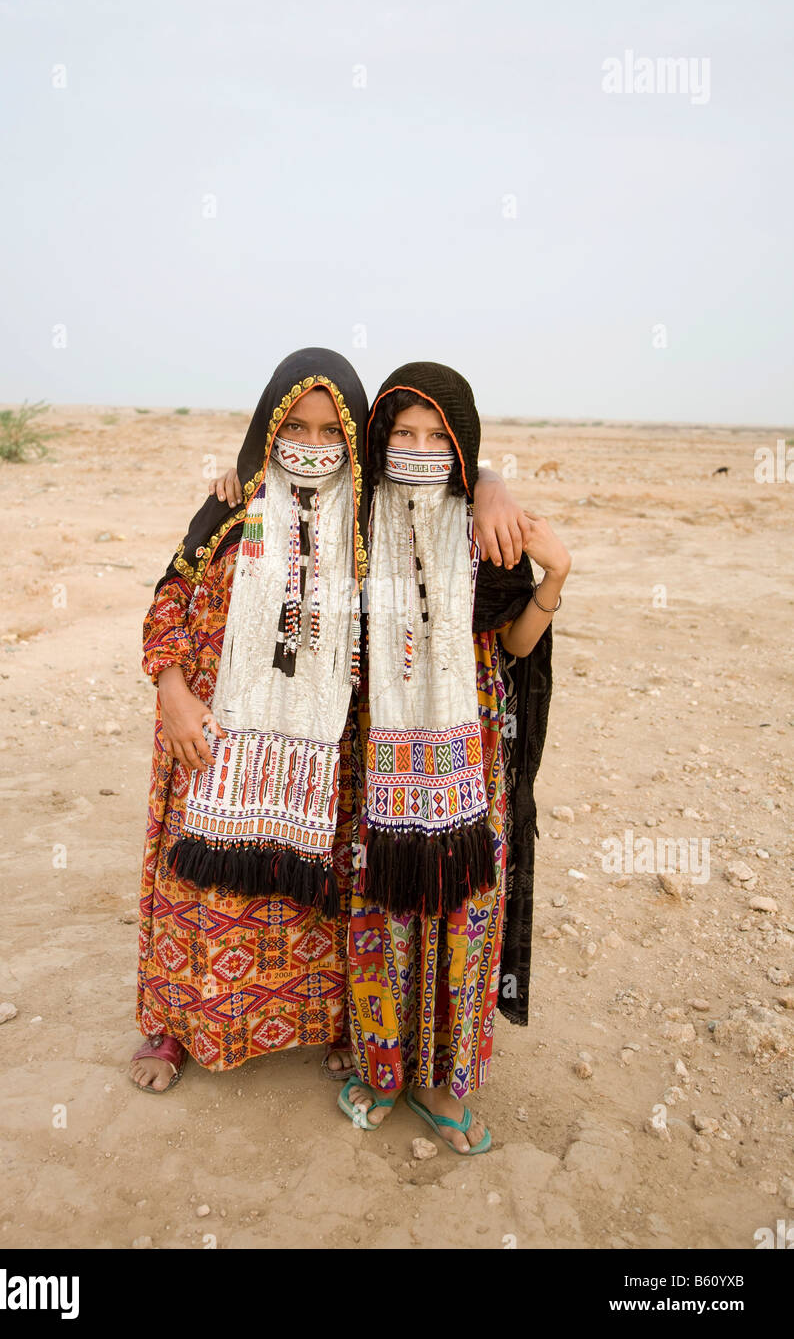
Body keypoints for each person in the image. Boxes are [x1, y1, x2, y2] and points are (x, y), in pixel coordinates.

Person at [338, 361, 568, 1153]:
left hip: (470, 768)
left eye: (439, 435)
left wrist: (555, 578)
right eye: (404, 432)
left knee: (460, 925)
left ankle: (440, 1083)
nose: (420, 448)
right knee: (381, 921)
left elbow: (510, 645)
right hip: (379, 766)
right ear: (379, 437)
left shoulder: (482, 527)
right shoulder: (354, 520)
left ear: (462, 443)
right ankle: (380, 1068)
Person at [129, 348, 369, 1091]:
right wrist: (172, 692)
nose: (314, 444)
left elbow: (463, 469)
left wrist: (490, 485)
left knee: (319, 891)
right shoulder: (234, 505)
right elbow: (167, 598)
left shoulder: (372, 520)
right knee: (198, 891)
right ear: (268, 424)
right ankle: (176, 1027)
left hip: (321, 747)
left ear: (357, 436)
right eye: (296, 425)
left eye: (334, 431)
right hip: (211, 732)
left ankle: (327, 1024)